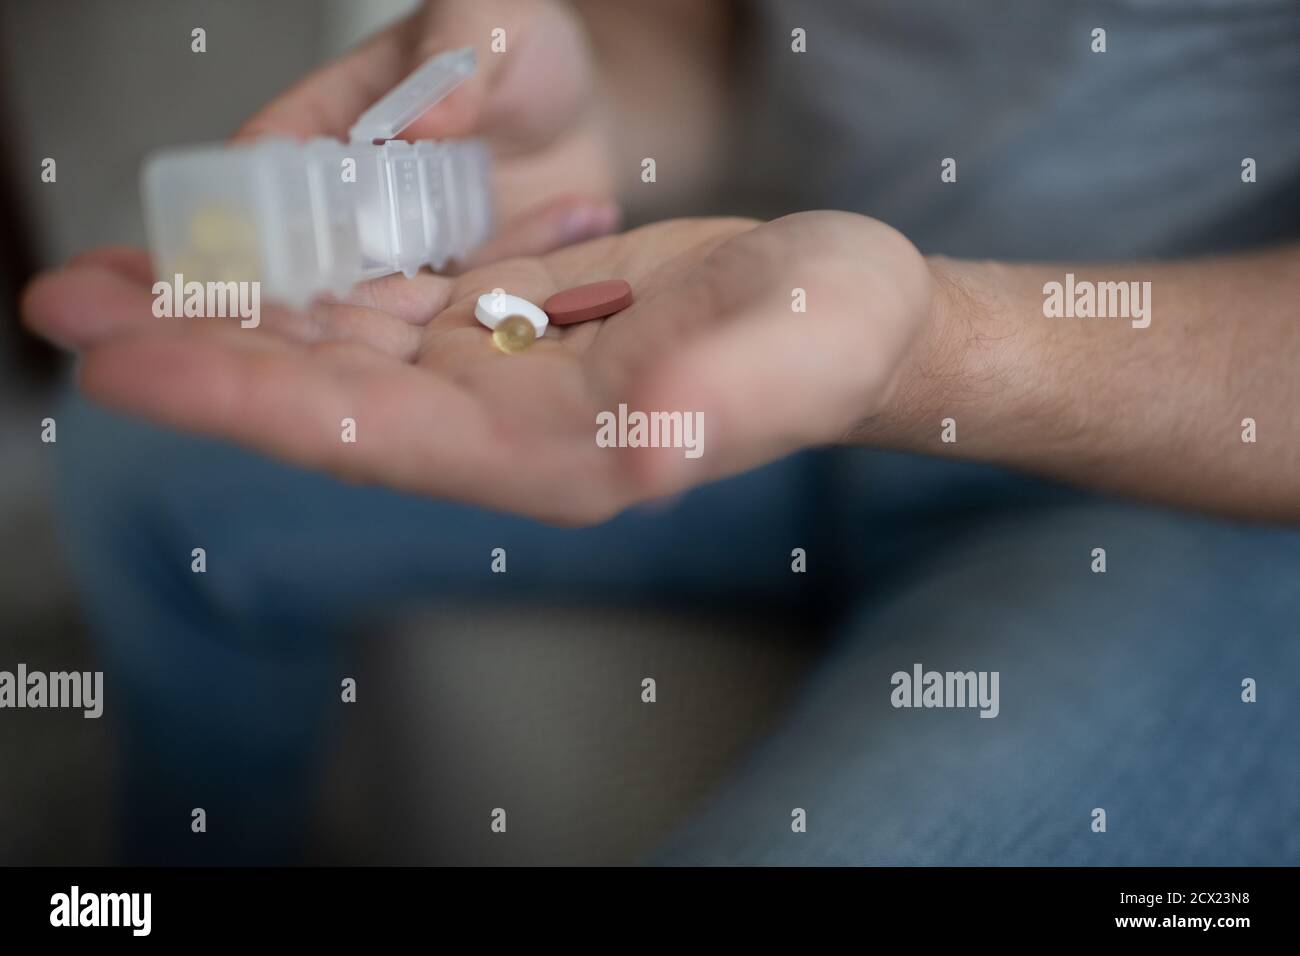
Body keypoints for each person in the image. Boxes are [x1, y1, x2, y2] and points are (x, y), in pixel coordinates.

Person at [22, 0, 1300, 864]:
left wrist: (932, 341)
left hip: (1186, 472)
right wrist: (570, 114)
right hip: (783, 336)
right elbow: (698, 48)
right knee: (144, 458)